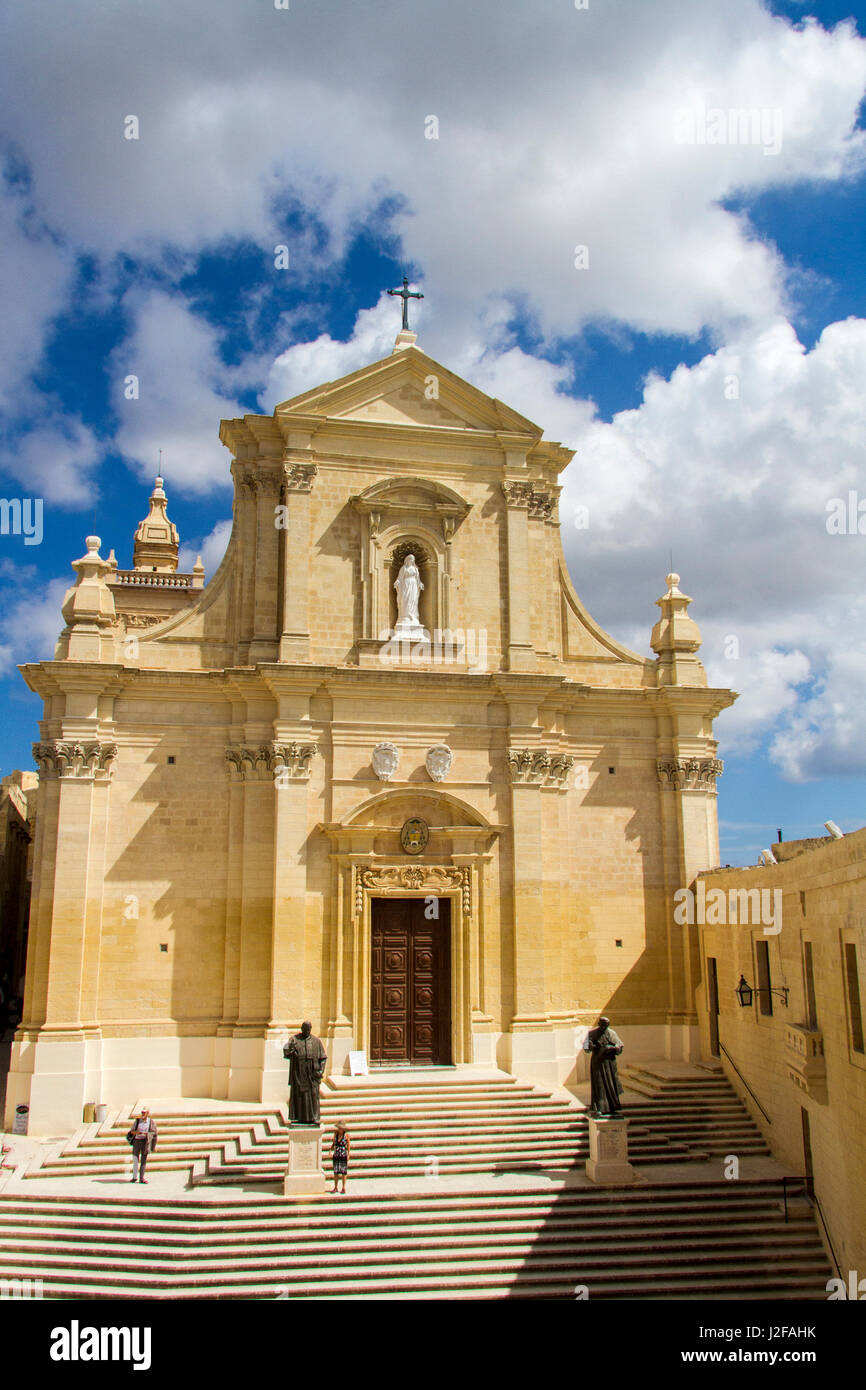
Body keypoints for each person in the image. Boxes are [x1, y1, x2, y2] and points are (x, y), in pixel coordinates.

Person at [283, 1022, 327, 1125]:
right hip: (299, 1073)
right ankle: (299, 1118)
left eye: (308, 1030)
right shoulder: (295, 1039)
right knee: (300, 1096)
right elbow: (286, 1051)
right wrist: (290, 1048)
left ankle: (314, 1118)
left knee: (313, 1096)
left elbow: (323, 1058)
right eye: (305, 1029)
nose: (307, 1031)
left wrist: (321, 1071)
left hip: (312, 1074)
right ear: (302, 1029)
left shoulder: (316, 1041)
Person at [583, 1015, 625, 1116]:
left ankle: (612, 1106)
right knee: (599, 1085)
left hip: (609, 1063)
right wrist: (590, 1045)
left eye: (605, 1025)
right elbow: (585, 1048)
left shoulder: (612, 1033)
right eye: (602, 1025)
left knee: (611, 1084)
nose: (603, 1027)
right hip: (597, 1062)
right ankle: (599, 1106)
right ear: (599, 1024)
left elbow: (620, 1047)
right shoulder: (592, 1033)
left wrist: (613, 1048)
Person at [128, 1107, 158, 1183]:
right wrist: (137, 1132)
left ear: (148, 1113)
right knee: (135, 1159)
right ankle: (134, 1177)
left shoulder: (150, 1122)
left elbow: (154, 1133)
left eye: (144, 1113)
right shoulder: (137, 1121)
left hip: (145, 1142)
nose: (143, 1114)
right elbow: (132, 1131)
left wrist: (147, 1134)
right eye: (142, 1113)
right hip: (137, 1141)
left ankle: (142, 1178)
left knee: (143, 1160)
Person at [330, 1121, 350, 1194]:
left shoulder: (346, 1135)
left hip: (343, 1154)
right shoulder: (336, 1134)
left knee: (343, 1172)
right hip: (336, 1154)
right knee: (336, 1172)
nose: (340, 1129)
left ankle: (343, 1187)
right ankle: (335, 1187)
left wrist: (348, 1154)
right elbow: (333, 1143)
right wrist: (330, 1149)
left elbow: (348, 1145)